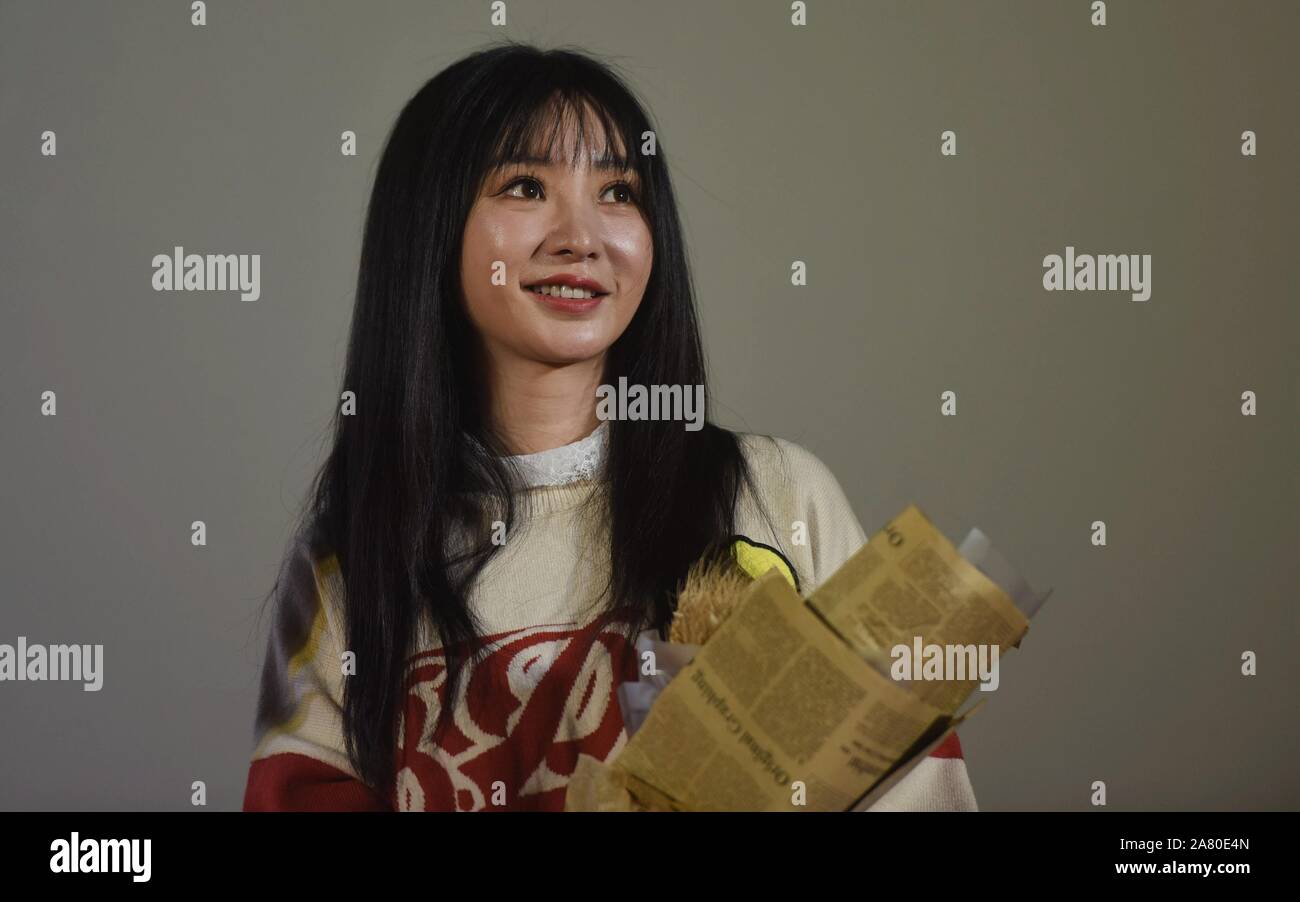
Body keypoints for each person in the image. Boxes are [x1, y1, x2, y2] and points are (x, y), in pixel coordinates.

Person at [241, 41, 977, 812]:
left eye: (619, 192)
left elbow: (922, 793)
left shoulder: (777, 495)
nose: (582, 236)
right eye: (526, 186)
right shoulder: (347, 559)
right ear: (429, 228)